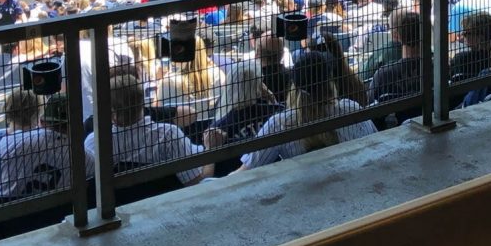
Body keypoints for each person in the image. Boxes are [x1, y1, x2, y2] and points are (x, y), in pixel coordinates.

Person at [238, 51, 376, 169]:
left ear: (294, 87)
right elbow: (378, 147)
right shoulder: (351, 109)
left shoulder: (280, 124)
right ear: (329, 83)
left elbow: (244, 173)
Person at [84, 74, 223, 186]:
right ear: (143, 102)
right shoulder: (169, 135)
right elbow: (197, 184)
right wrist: (212, 150)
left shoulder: (95, 143)